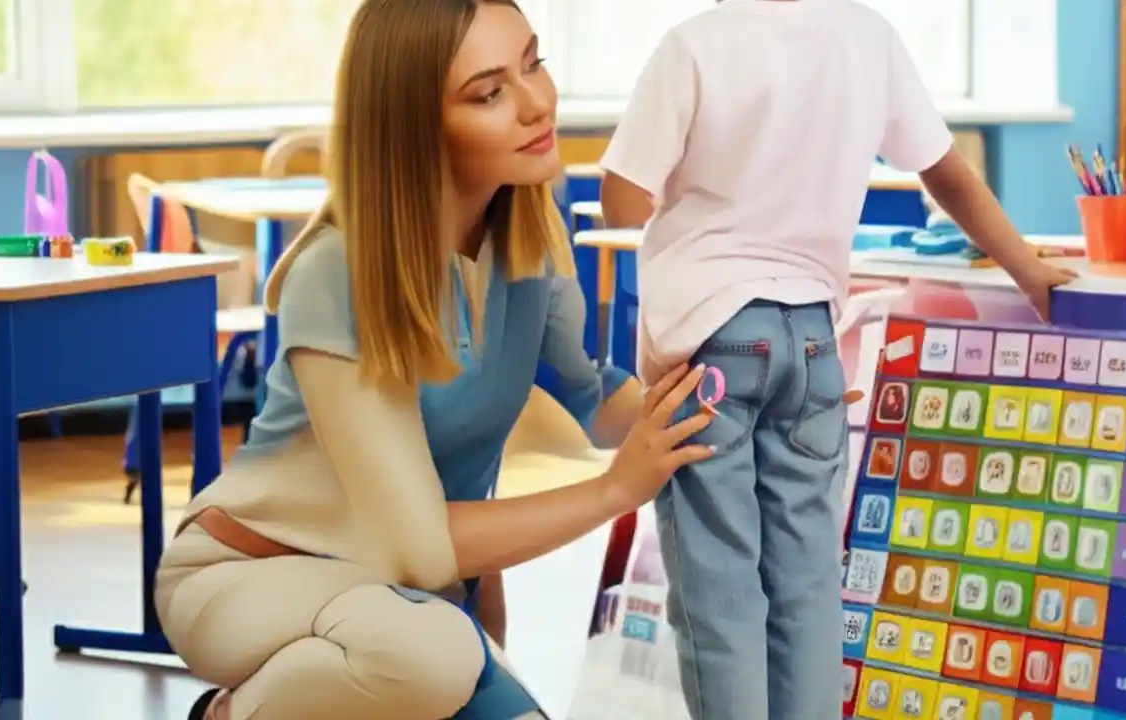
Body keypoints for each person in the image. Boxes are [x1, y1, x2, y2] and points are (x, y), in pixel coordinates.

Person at [153, 2, 717, 719]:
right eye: (490, 93)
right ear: (415, 127)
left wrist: (720, 396)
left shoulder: (528, 238)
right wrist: (614, 492)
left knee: (442, 660)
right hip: (258, 574)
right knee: (435, 659)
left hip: (412, 607)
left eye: (534, 64)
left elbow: (596, 402)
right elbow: (418, 546)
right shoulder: (336, 274)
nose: (537, 103)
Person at [597, 1, 1077, 718]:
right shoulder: (869, 37)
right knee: (810, 585)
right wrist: (1028, 269)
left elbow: (622, 202)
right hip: (813, 341)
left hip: (711, 341)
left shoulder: (693, 45)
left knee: (720, 587)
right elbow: (945, 173)